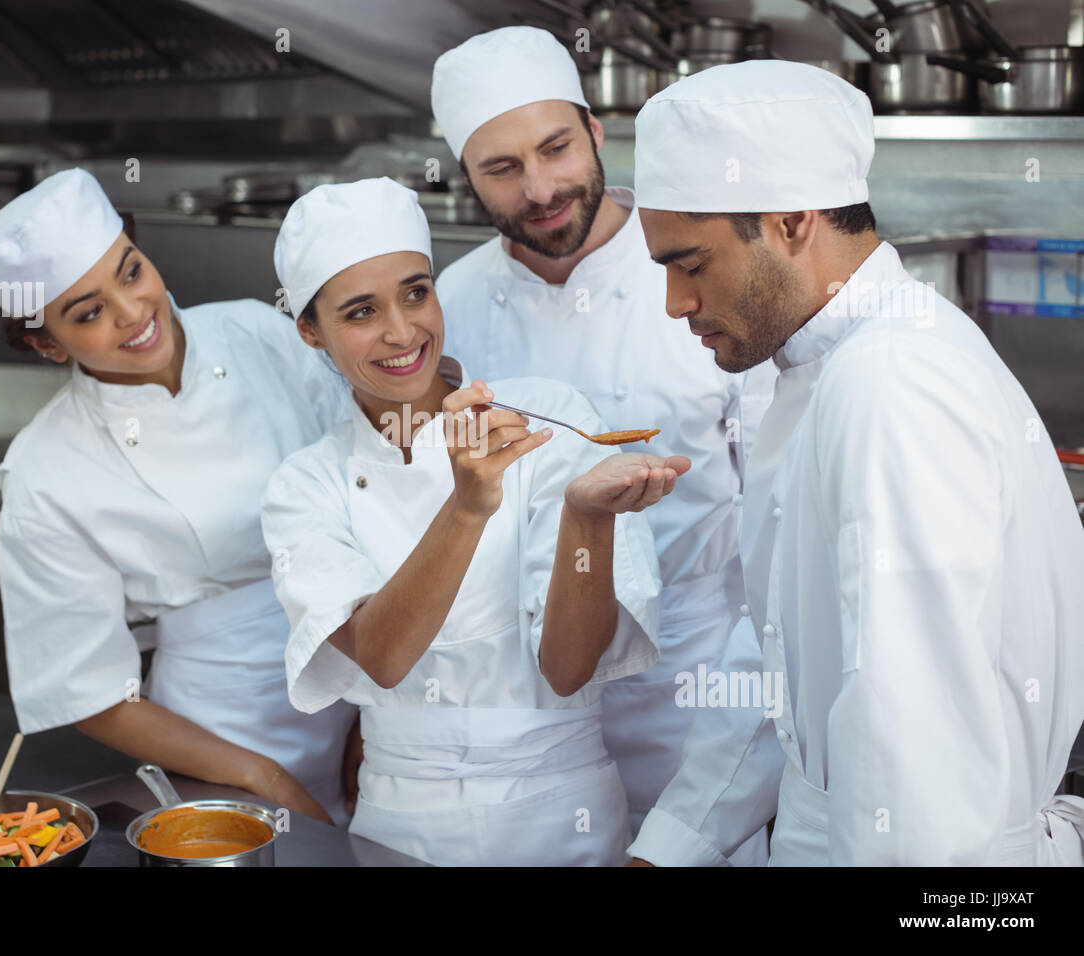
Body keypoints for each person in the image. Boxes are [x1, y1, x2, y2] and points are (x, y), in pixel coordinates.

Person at [627, 61, 1084, 865]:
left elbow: (917, 758)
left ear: (793, 223)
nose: (675, 303)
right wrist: (669, 846)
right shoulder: (818, 369)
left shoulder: (891, 385)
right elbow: (784, 664)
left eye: (690, 264)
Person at [261, 177, 690, 865]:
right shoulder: (306, 486)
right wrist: (467, 507)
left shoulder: (549, 416)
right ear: (310, 329)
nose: (403, 332)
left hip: (565, 817)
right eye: (361, 312)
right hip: (403, 828)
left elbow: (569, 670)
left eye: (416, 292)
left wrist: (587, 521)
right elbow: (385, 655)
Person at [430, 25, 774, 863]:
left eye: (555, 148)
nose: (541, 188)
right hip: (527, 709)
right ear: (463, 176)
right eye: (501, 168)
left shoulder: (702, 269)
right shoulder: (451, 304)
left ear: (595, 131)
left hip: (697, 684)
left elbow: (778, 513)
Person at [0, 168, 357, 825]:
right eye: (87, 313)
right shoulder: (47, 472)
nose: (133, 313)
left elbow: (366, 484)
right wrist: (259, 774)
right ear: (45, 343)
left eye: (130, 270)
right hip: (222, 739)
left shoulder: (256, 331)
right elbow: (87, 690)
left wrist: (380, 715)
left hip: (367, 670)